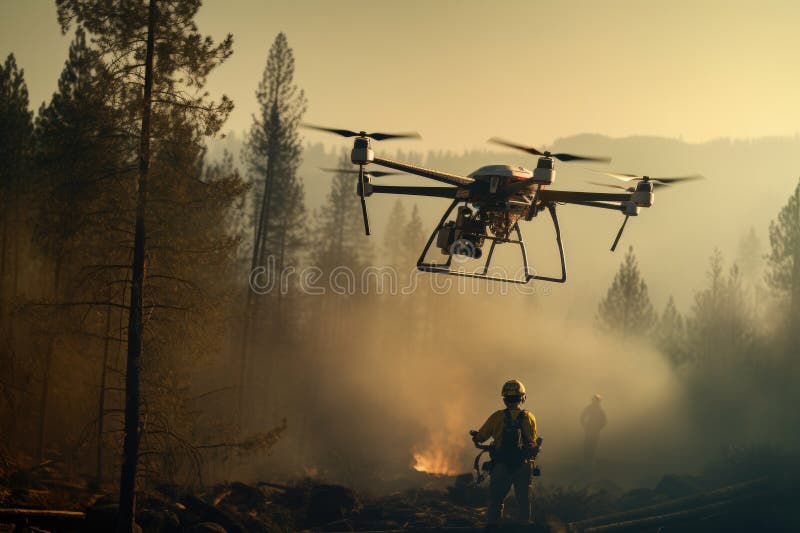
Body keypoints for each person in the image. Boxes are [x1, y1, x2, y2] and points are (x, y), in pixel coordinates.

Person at [472, 379, 538, 528]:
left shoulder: (497, 417)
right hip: (523, 465)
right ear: (523, 398)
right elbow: (532, 440)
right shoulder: (529, 417)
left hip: (501, 466)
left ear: (504, 399)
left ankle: (493, 526)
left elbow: (481, 437)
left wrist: (476, 437)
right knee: (524, 500)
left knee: (496, 500)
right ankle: (525, 526)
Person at [580, 393, 607, 465]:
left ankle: (589, 461)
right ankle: (588, 461)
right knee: (590, 445)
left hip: (593, 430)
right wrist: (586, 426)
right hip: (591, 429)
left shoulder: (596, 409)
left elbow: (604, 421)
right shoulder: (598, 409)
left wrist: (598, 428)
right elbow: (582, 417)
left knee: (591, 445)